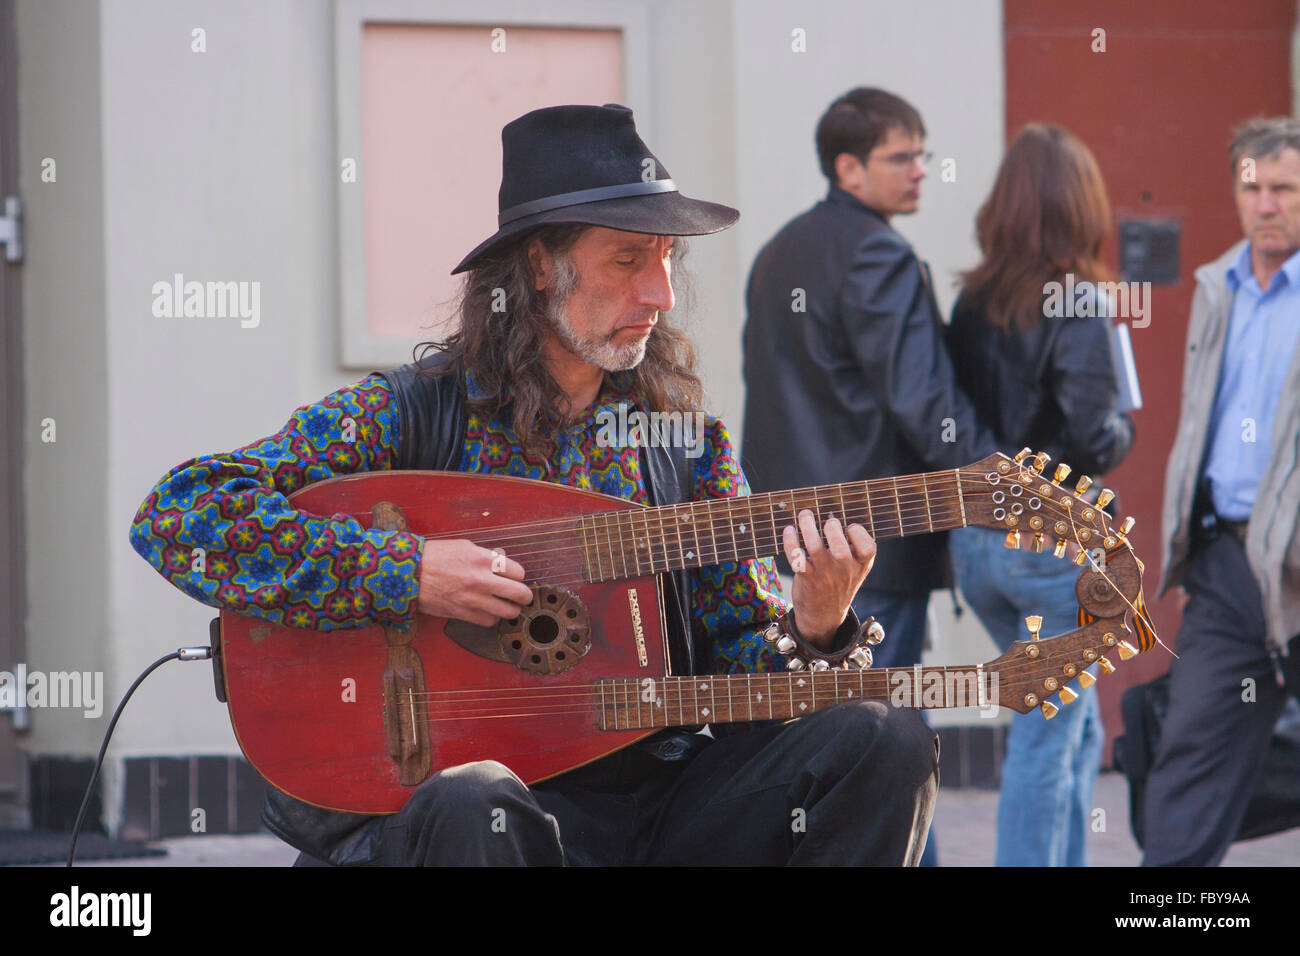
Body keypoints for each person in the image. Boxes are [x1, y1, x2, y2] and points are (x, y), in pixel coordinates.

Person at [129, 104, 938, 866]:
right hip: (482, 809)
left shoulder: (681, 447)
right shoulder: (414, 417)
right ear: (540, 270)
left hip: (660, 796)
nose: (658, 294)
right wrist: (407, 573)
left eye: (664, 260)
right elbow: (180, 513)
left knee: (884, 738)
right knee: (476, 802)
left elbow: (740, 672)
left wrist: (819, 626)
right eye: (627, 260)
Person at [741, 88, 997, 865]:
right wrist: (1000, 483)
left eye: (923, 153)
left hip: (793, 538)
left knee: (839, 746)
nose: (922, 171)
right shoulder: (878, 253)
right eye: (902, 156)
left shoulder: (781, 248)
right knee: (891, 751)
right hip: (868, 540)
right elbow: (925, 402)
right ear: (848, 167)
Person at [944, 124, 1135, 866]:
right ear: (1081, 207)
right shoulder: (1079, 299)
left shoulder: (972, 300)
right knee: (1046, 732)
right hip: (1050, 554)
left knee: (1076, 723)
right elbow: (1094, 438)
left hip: (976, 552)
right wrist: (1126, 429)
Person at [1143, 116, 1300, 867]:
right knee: (1189, 753)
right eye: (1253, 188)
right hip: (1229, 566)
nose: (1266, 205)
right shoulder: (1218, 287)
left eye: (1284, 189)